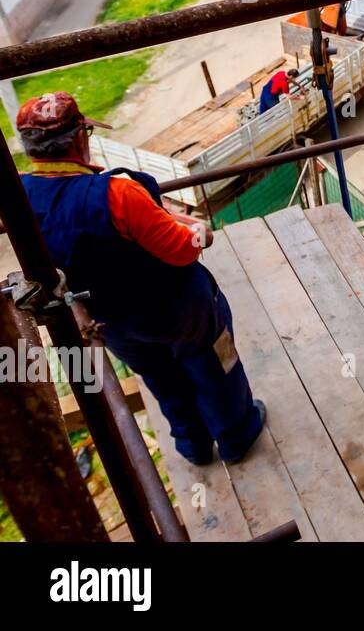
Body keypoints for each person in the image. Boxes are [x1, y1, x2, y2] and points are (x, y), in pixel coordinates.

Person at [16, 92, 265, 466]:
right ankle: (236, 437)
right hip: (179, 309)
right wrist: (200, 230)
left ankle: (193, 447)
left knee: (162, 379)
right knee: (215, 365)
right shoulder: (119, 192)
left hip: (111, 318)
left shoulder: (18, 195)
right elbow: (184, 248)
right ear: (81, 137)